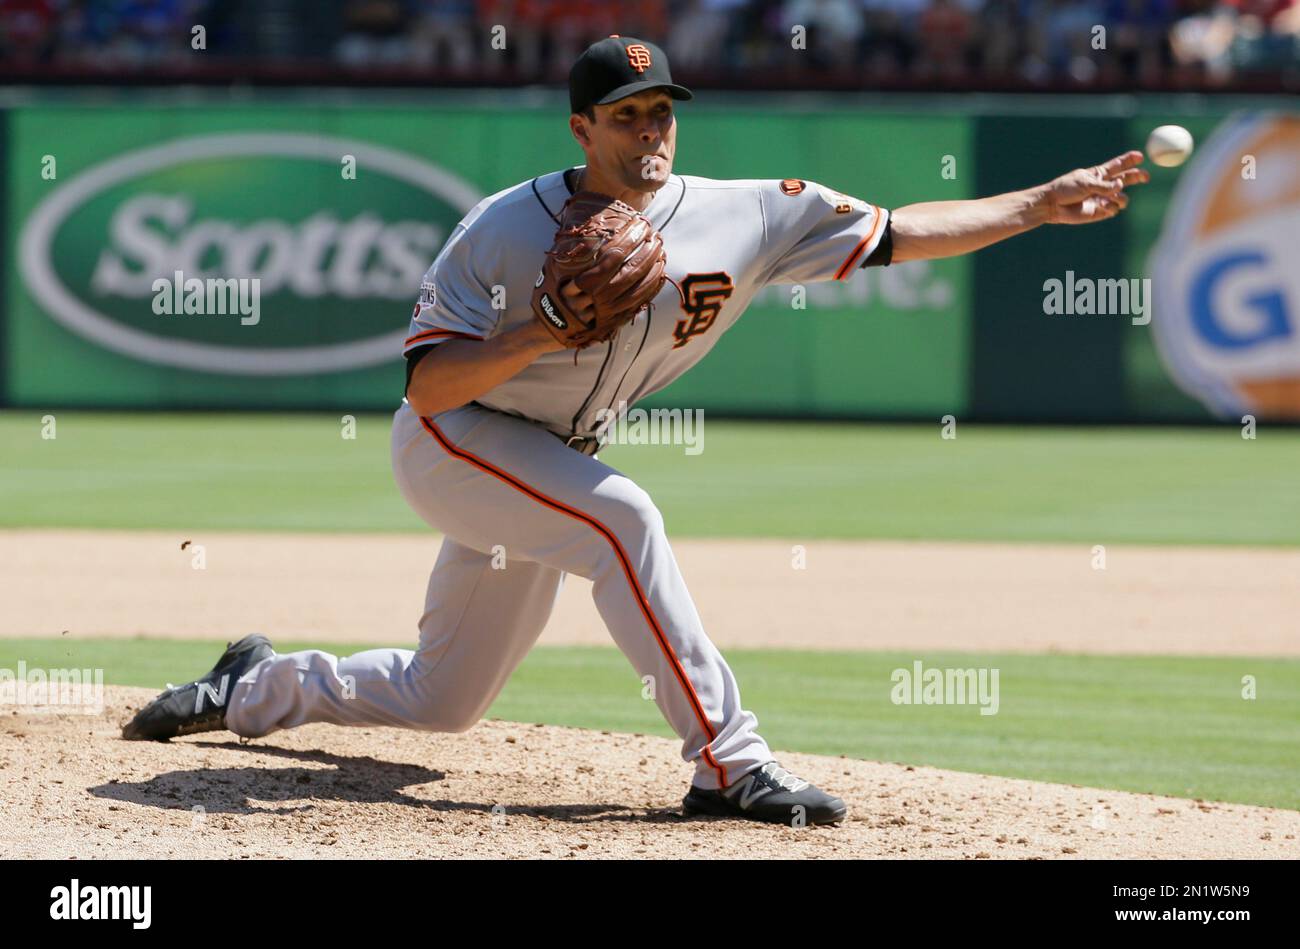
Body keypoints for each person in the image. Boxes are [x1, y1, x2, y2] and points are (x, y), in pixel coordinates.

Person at [123, 35, 1149, 828]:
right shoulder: (503, 227)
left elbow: (896, 230)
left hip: (551, 460)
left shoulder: (746, 213)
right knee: (623, 521)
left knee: (445, 700)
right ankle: (728, 763)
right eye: (626, 115)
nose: (651, 131)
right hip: (456, 443)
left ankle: (252, 682)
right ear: (581, 129)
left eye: (662, 112)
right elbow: (430, 389)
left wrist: (1038, 205)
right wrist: (538, 329)